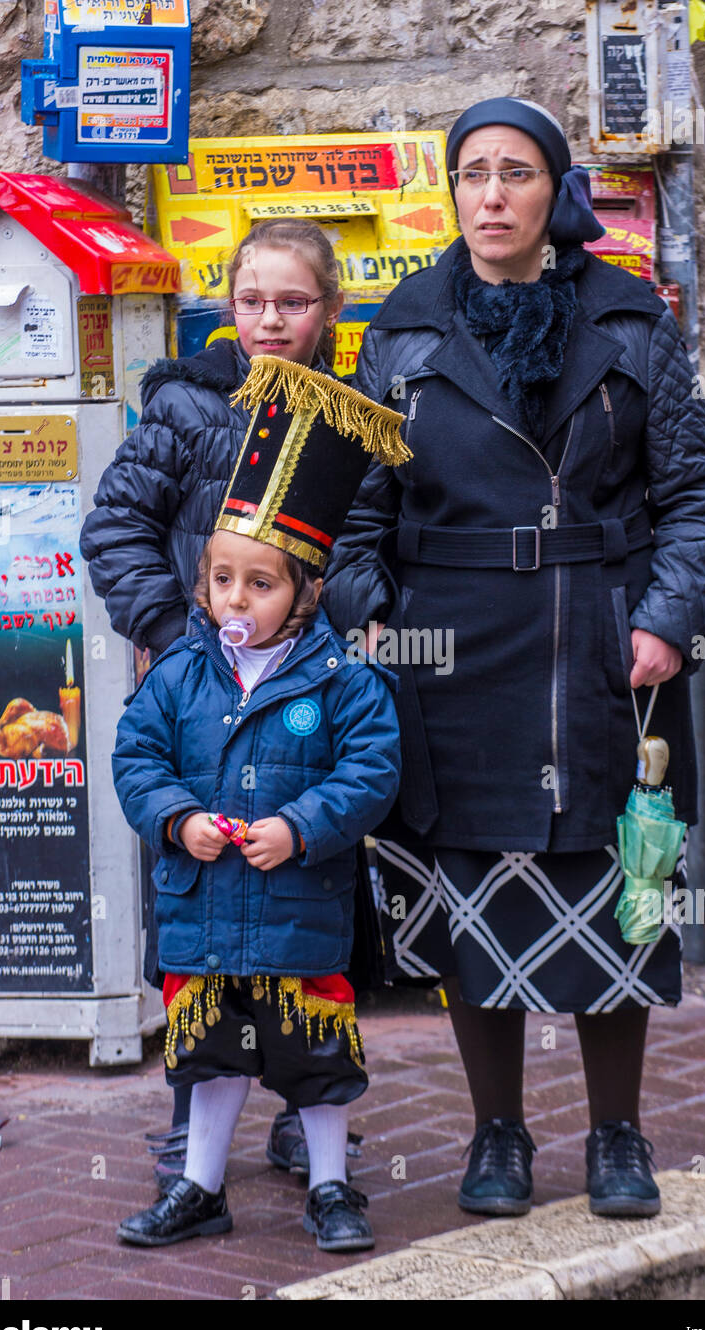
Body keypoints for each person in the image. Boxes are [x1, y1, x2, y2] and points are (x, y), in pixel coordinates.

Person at [322, 97, 705, 1219]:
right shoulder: (401, 332)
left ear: (555, 193)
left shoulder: (631, 320)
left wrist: (666, 616)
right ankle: (495, 1133)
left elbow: (695, 494)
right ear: (450, 192)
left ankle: (615, 1133)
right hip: (447, 663)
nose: (490, 194)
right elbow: (348, 523)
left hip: (598, 653)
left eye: (514, 173)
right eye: (470, 174)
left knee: (617, 892)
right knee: (471, 903)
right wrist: (372, 626)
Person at [110, 354, 406, 1248]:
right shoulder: (177, 677)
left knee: (315, 1059)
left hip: (297, 909)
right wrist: (174, 818)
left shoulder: (344, 683)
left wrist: (299, 827)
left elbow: (369, 773)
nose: (239, 596)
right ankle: (200, 1186)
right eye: (223, 578)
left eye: (262, 582)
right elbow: (136, 758)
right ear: (202, 584)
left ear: (306, 593)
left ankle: (328, 1188)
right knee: (207, 1053)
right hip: (202, 909)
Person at [80, 220, 348, 1185]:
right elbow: (115, 527)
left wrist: (342, 626)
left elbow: (369, 551)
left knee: (296, 908)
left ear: (329, 310)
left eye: (292, 302)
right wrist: (169, 633)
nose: (269, 320)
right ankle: (195, 1118)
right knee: (198, 904)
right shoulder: (187, 411)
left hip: (301, 704)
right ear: (227, 308)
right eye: (250, 301)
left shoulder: (347, 421)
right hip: (199, 700)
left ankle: (302, 1104)